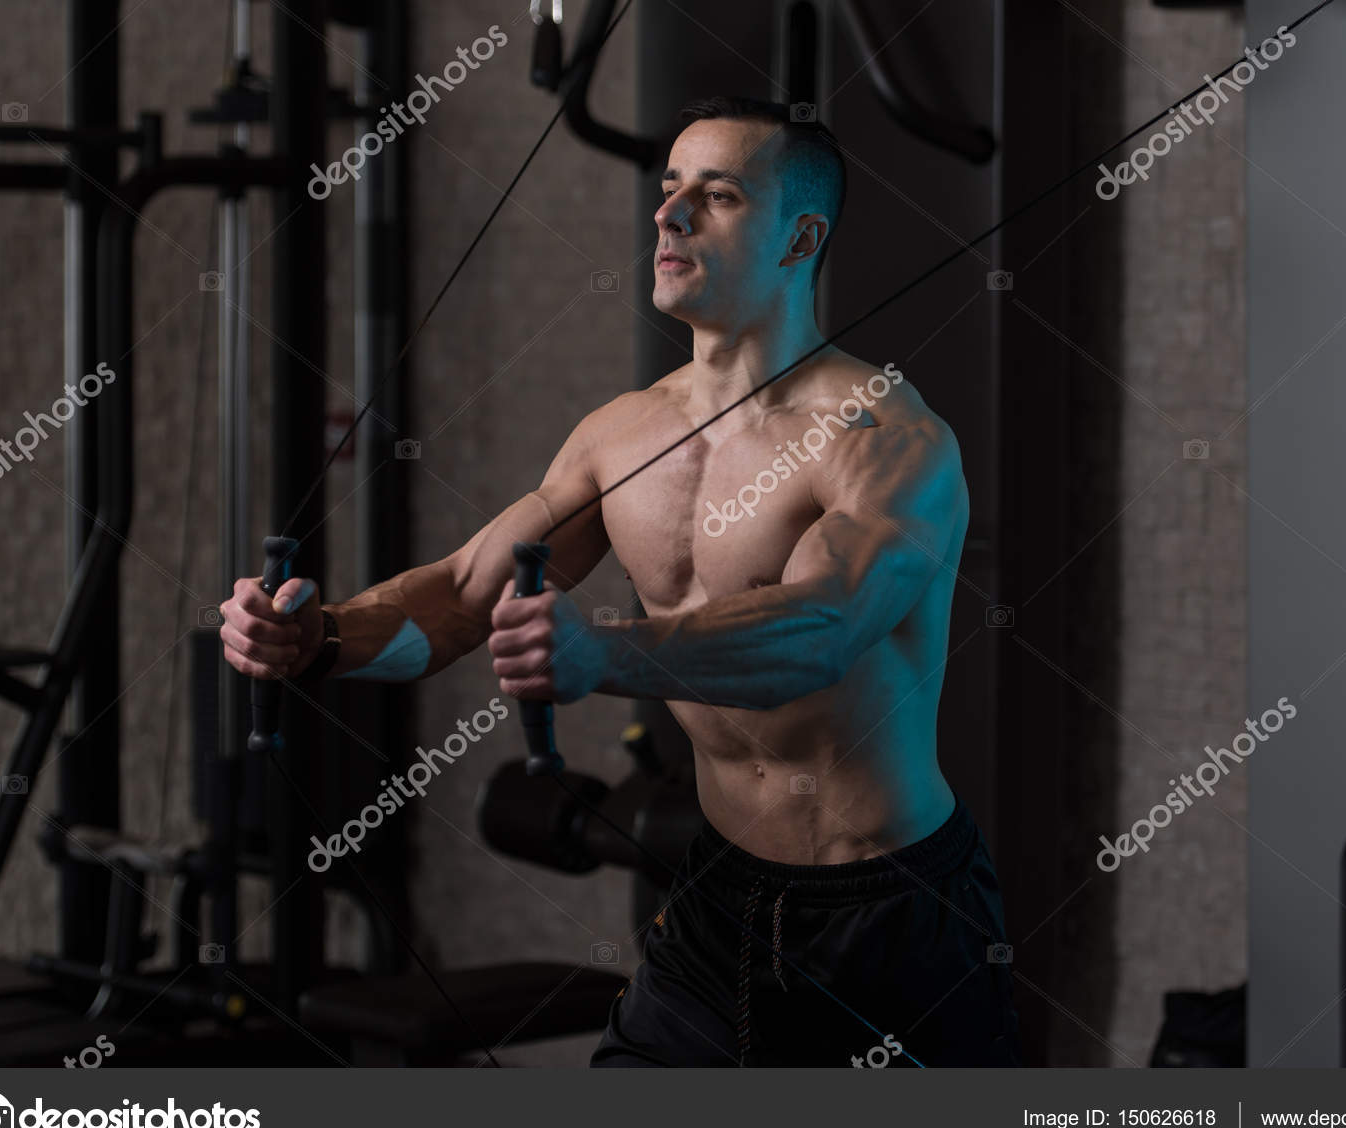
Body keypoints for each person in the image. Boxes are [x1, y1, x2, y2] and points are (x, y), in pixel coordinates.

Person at [218, 95, 1018, 1067]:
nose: (669, 214)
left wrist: (605, 654)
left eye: (718, 195)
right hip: (719, 894)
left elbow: (823, 631)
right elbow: (465, 594)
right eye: (670, 188)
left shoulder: (886, 436)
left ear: (801, 238)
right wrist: (322, 638)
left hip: (891, 913)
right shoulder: (622, 434)